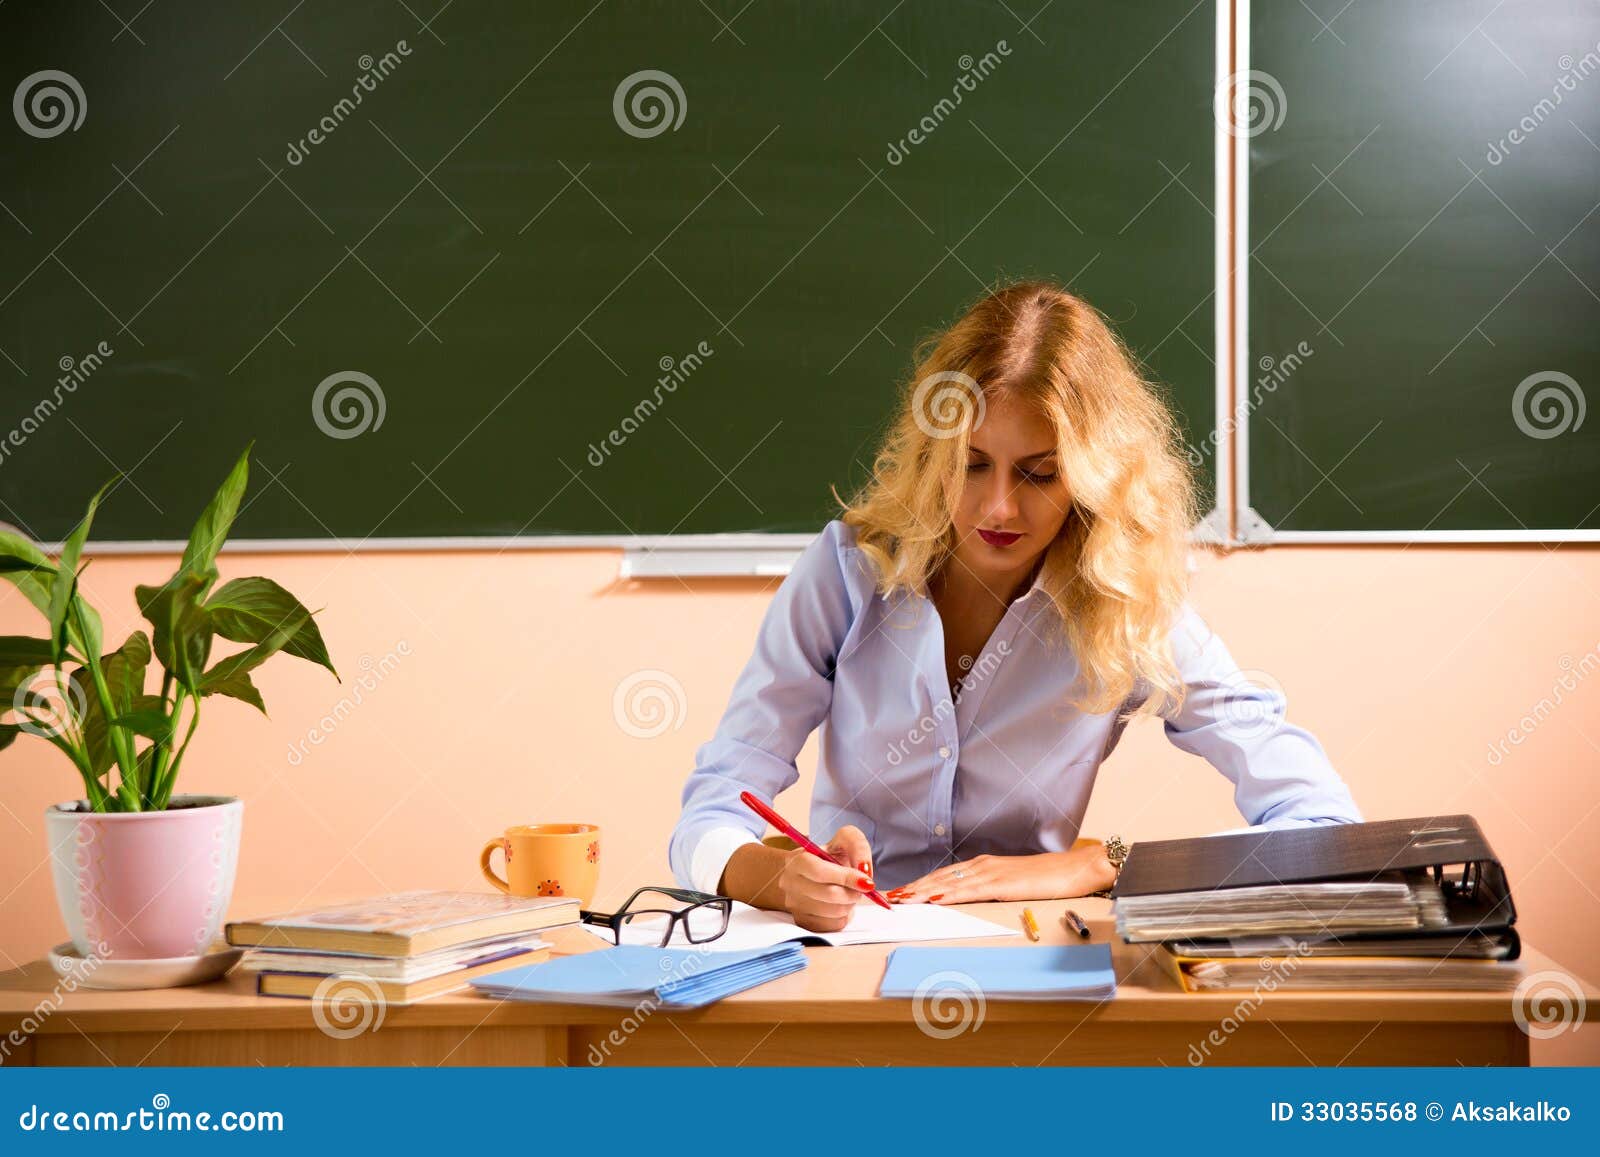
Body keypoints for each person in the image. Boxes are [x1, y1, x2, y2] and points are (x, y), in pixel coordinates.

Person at [668, 281, 1361, 932]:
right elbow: (709, 812)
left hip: (1025, 958)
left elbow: (1324, 822)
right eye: (972, 463)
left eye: (1038, 472)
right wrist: (777, 874)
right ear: (934, 453)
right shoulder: (849, 573)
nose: (1000, 506)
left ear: (1093, 475)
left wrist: (1104, 860)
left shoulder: (1128, 602)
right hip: (855, 962)